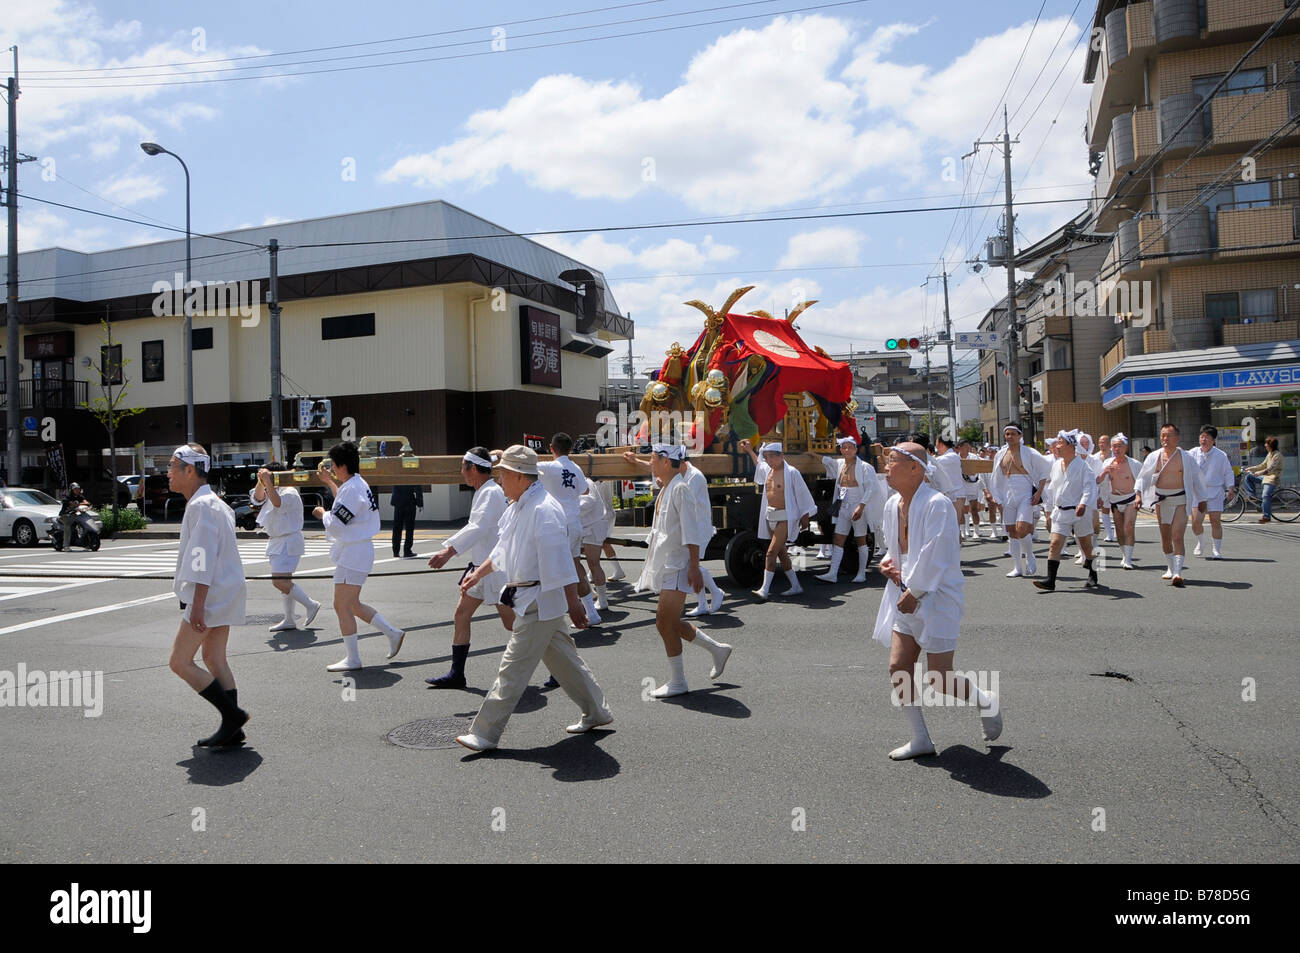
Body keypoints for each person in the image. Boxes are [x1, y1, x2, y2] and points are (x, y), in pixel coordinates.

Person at [456, 445, 612, 752]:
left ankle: (485, 732)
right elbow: (501, 549)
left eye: (502, 475)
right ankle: (597, 711)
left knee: (512, 668)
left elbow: (559, 560)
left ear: (517, 476)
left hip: (541, 598)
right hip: (532, 595)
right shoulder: (519, 504)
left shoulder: (543, 509)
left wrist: (574, 601)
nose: (499, 480)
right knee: (565, 662)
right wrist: (479, 573)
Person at [872, 443, 1000, 760]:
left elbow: (937, 555)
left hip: (936, 597)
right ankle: (920, 738)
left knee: (940, 679)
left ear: (916, 467)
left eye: (893, 461)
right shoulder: (892, 505)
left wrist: (914, 592)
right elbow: (896, 548)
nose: (887, 467)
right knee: (898, 666)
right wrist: (888, 563)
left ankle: (985, 699)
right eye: (887, 461)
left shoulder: (937, 504)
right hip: (905, 594)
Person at [165, 444, 250, 748]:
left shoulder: (200, 506)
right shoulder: (216, 502)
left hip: (210, 594)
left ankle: (233, 715)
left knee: (179, 661)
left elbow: (201, 558)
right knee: (214, 657)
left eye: (172, 466)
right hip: (226, 589)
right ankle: (233, 729)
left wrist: (197, 605)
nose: (168, 472)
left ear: (191, 471)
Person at [634, 444, 733, 697]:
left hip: (678, 564)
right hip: (669, 564)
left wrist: (694, 568)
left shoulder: (680, 489)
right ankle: (716, 649)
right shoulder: (669, 486)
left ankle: (678, 681)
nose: (651, 461)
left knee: (664, 622)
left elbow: (691, 533)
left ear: (667, 461)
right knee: (668, 622)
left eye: (653, 458)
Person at [424, 448, 514, 689]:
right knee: (461, 614)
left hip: (495, 569)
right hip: (480, 567)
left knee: (513, 624)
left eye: (463, 467)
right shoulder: (485, 491)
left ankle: (555, 663)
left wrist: (449, 551)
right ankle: (457, 673)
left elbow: (478, 527)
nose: (461, 473)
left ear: (472, 468)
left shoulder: (491, 492)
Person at [313, 442, 406, 670]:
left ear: (342, 466)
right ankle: (392, 633)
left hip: (353, 552)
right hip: (358, 551)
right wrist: (328, 482)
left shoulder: (352, 489)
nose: (332, 469)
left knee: (341, 606)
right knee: (351, 604)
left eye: (334, 466)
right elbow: (344, 507)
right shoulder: (356, 484)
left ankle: (354, 658)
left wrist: (322, 514)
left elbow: (336, 522)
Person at [623, 449, 725, 616]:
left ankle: (714, 592)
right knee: (691, 565)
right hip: (685, 529)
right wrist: (636, 461)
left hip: (698, 527)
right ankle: (704, 602)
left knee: (692, 564)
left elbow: (684, 503)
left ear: (677, 462)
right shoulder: (675, 478)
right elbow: (654, 466)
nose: (652, 463)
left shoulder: (693, 478)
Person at [739, 439, 818, 600]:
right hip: (770, 516)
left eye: (772, 457)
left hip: (786, 516)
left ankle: (764, 589)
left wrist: (805, 516)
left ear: (781, 455)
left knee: (770, 553)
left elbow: (803, 494)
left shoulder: (791, 472)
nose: (769, 460)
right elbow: (757, 462)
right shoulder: (767, 470)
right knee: (782, 553)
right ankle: (796, 586)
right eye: (766, 457)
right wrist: (750, 450)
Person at [537, 432, 600, 625]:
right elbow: (585, 490)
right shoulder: (575, 468)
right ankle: (590, 611)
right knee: (574, 565)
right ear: (571, 449)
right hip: (574, 523)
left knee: (556, 568)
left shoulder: (548, 467)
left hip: (557, 525)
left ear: (551, 448)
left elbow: (524, 464)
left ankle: (571, 611)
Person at [251, 464, 321, 632]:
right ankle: (289, 619)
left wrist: (268, 482)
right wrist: (262, 481)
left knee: (279, 581)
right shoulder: (272, 489)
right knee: (285, 582)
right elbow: (256, 498)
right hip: (277, 541)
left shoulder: (289, 491)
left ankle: (310, 604)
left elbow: (278, 504)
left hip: (288, 540)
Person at [1137, 423, 1206, 587]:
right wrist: (1138, 495)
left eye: (1168, 435)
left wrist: (1202, 499)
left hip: (1181, 500)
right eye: (1162, 435)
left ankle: (1178, 572)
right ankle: (1170, 566)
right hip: (1162, 501)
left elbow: (1197, 478)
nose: (1165, 439)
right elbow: (1143, 477)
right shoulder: (1154, 456)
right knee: (1166, 538)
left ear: (1177, 437)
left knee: (1177, 536)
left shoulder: (1186, 457)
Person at [1032, 430, 1100, 592]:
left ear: (1071, 446)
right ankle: (1050, 580)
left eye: (1061, 442)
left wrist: (1083, 504)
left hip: (1079, 512)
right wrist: (1048, 506)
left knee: (1086, 546)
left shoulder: (1083, 466)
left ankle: (1094, 571)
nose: (1057, 446)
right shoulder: (1056, 465)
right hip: (1061, 511)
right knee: (1055, 544)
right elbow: (1053, 488)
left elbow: (1090, 487)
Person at [987, 423, 1051, 578]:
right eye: (1007, 434)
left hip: (1025, 494)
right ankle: (1017, 567)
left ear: (1020, 435)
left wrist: (1039, 492)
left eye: (1013, 434)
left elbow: (1045, 470)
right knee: (1011, 531)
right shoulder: (1001, 454)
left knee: (1022, 528)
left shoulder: (1029, 452)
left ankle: (1029, 556)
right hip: (1008, 494)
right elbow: (995, 477)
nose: (1010, 437)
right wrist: (996, 495)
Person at [816, 435, 878, 583]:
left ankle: (861, 573)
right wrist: (810, 454)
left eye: (850, 447)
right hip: (843, 504)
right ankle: (832, 573)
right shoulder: (840, 464)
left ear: (856, 449)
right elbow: (826, 460)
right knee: (838, 537)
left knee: (860, 539)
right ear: (841, 450)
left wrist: (861, 506)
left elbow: (871, 488)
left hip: (858, 503)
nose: (847, 450)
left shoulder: (864, 467)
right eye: (844, 447)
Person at [1189, 425, 1236, 557]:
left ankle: (1216, 550)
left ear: (1213, 440)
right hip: (1197, 492)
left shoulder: (1221, 455)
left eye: (1207, 437)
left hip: (1215, 491)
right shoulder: (1192, 453)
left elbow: (1228, 472)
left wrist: (1230, 488)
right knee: (1196, 522)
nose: (1203, 439)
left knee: (1215, 521)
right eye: (1202, 436)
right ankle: (1200, 542)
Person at [1097, 434, 1143, 569]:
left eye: (1119, 446)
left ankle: (1128, 559)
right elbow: (1098, 481)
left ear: (1126, 447)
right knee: (1119, 530)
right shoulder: (1107, 463)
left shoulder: (1134, 464)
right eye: (1114, 446)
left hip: (1130, 498)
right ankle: (1125, 554)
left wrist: (1139, 496)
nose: (1116, 449)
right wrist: (1105, 472)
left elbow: (1141, 481)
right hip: (1114, 500)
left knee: (1128, 527)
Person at [1243, 436, 1284, 523]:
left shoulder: (1277, 455)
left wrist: (1259, 473)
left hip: (1273, 478)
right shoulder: (1269, 454)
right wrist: (1250, 468)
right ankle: (1252, 496)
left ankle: (1266, 516)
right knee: (1249, 477)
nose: (1265, 445)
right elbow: (1262, 465)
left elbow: (1270, 469)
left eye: (1267, 444)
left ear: (1271, 445)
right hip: (1266, 477)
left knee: (1265, 496)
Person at [1090, 435, 1116, 542]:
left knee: (1116, 510)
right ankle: (1109, 534)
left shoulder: (1115, 455)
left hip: (1114, 485)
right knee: (1104, 510)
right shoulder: (1095, 457)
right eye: (1100, 442)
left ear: (1109, 444)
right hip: (1101, 486)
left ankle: (1117, 533)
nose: (1101, 444)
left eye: (1104, 442)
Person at [390, 484, 423, 558]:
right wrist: (420, 503)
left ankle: (395, 551)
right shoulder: (412, 475)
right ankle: (407, 550)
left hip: (398, 501)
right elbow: (418, 488)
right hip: (409, 501)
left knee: (397, 528)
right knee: (409, 528)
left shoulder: (397, 474)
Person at [58, 482, 88, 550]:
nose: (77, 490)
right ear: (71, 490)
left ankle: (86, 543)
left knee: (84, 524)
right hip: (65, 515)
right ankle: (66, 546)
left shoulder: (80, 496)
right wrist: (71, 503)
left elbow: (85, 501)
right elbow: (66, 501)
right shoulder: (68, 497)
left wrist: (86, 503)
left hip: (75, 515)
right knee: (68, 525)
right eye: (75, 489)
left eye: (78, 489)